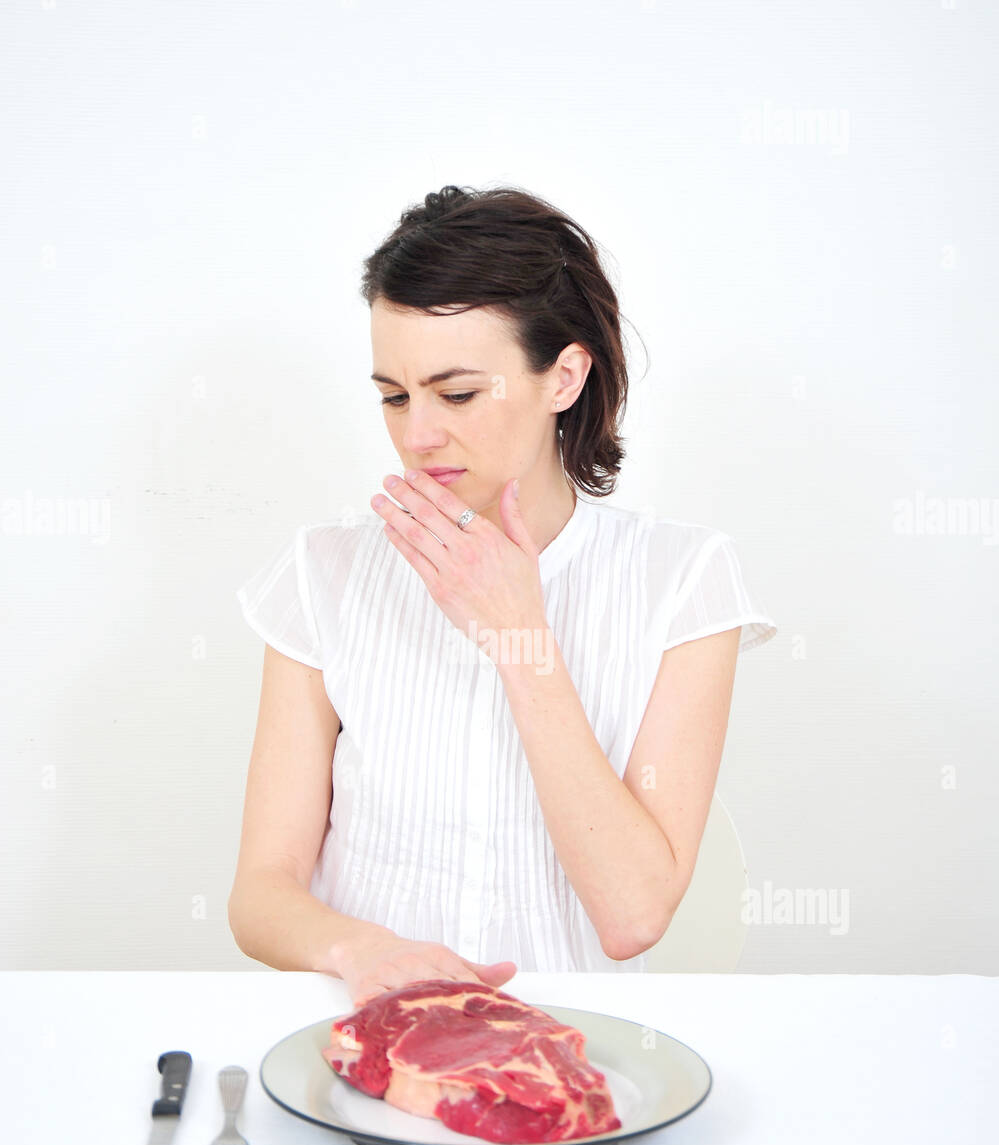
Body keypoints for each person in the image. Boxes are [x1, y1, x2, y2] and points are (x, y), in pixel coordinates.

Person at [228, 184, 776, 1005]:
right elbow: (261, 894)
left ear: (563, 377)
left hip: (567, 1052)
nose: (417, 435)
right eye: (392, 395)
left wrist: (520, 634)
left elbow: (632, 915)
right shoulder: (325, 571)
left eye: (456, 394)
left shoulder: (682, 580)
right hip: (364, 1032)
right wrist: (366, 952)